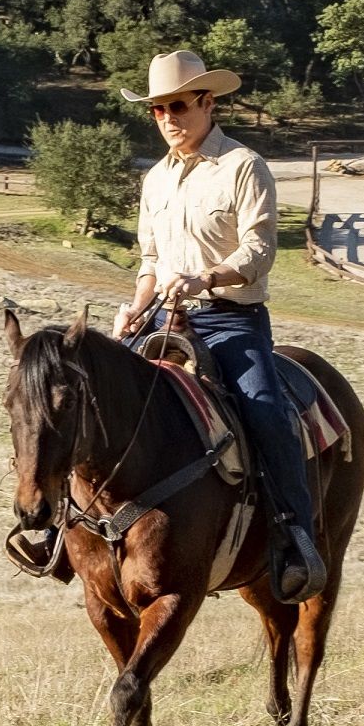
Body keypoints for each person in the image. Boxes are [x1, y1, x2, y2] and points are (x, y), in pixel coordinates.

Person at [112, 49, 326, 603]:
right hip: (161, 315)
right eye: (157, 110)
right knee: (96, 397)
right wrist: (134, 308)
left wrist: (206, 279)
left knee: (265, 411)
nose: (167, 120)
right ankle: (72, 534)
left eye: (178, 106)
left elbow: (259, 250)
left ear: (207, 102)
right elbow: (151, 262)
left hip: (231, 318)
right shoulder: (155, 179)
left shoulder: (243, 166)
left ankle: (293, 540)